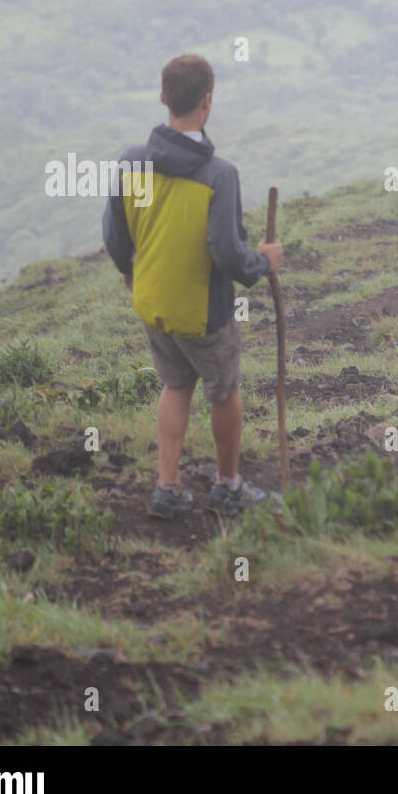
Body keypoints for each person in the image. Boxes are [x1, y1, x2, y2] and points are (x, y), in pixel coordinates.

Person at [103, 54, 282, 520]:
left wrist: (128, 270)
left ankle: (168, 488)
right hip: (204, 313)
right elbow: (226, 252)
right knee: (223, 390)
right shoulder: (218, 175)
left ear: (163, 98)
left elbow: (117, 233)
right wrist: (261, 263)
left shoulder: (134, 164)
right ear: (207, 101)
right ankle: (227, 485)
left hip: (153, 303)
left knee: (175, 384)